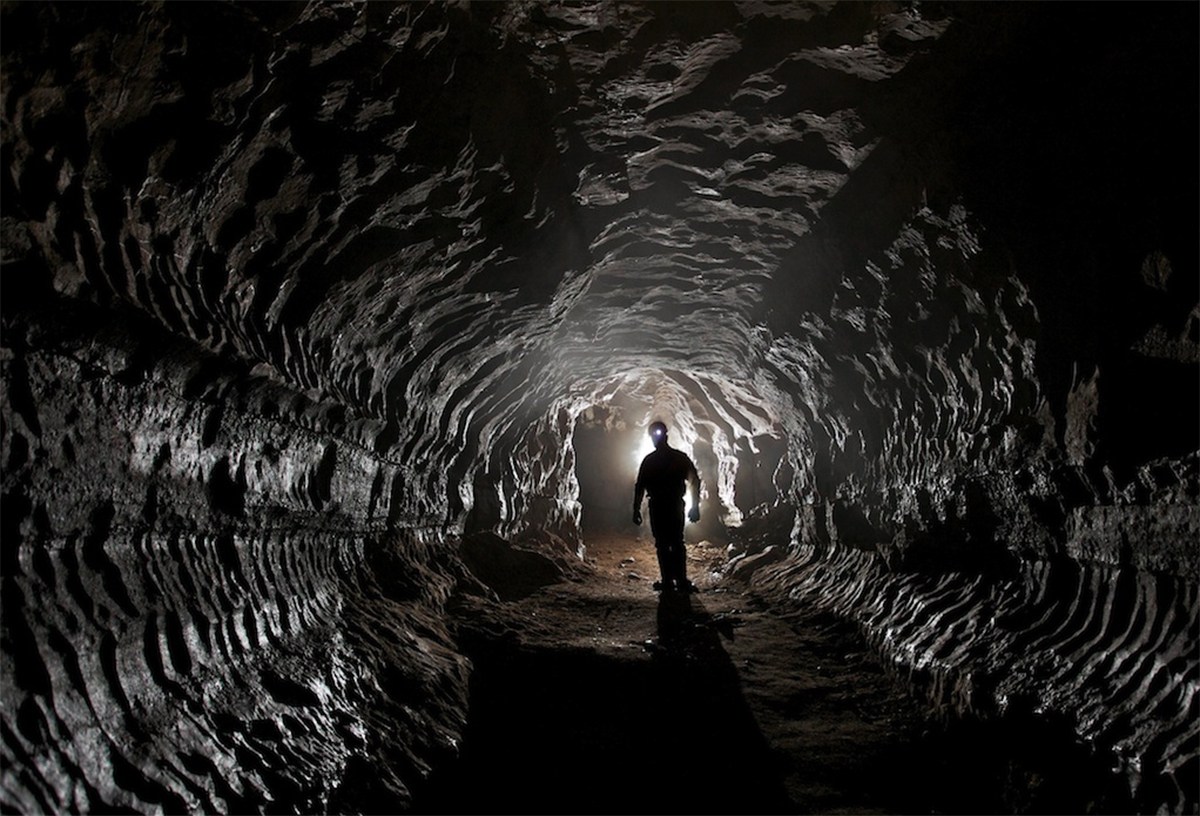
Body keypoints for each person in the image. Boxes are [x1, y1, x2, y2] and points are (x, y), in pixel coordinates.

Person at [633, 421, 701, 593]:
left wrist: (636, 509)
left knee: (665, 543)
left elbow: (640, 486)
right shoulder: (679, 458)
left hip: (660, 506)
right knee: (675, 542)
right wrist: (695, 506)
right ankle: (679, 581)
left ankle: (670, 582)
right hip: (673, 505)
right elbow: (694, 481)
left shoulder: (650, 461)